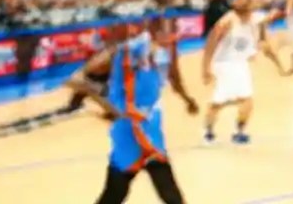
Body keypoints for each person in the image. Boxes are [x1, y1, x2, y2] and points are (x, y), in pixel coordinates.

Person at [70, 16, 199, 204]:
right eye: (167, 32)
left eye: (173, 33)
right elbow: (80, 78)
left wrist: (187, 99)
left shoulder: (168, 50)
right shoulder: (128, 49)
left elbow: (174, 77)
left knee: (166, 189)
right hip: (129, 127)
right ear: (152, 30)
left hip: (149, 124)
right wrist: (107, 104)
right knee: (116, 193)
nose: (172, 37)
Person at [201, 0, 285, 144]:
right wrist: (205, 68)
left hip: (240, 63)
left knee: (246, 100)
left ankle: (238, 131)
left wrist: (277, 9)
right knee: (222, 100)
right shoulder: (227, 21)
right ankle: (208, 131)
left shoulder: (255, 17)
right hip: (224, 63)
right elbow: (210, 43)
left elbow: (276, 15)